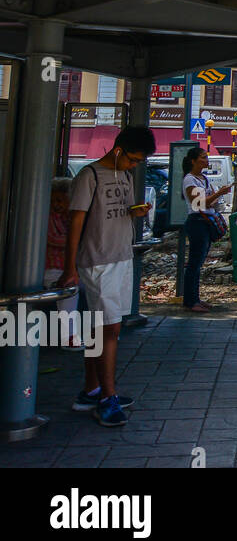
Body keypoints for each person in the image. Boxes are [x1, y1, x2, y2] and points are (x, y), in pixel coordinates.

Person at [59, 126, 156, 426]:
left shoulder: (125, 176)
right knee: (108, 330)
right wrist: (70, 267)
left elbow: (119, 210)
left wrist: (135, 212)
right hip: (98, 260)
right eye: (133, 159)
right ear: (118, 150)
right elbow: (76, 222)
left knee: (105, 330)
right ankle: (107, 398)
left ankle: (92, 389)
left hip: (122, 257)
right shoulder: (89, 176)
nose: (134, 166)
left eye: (139, 162)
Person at [181, 147, 232, 313]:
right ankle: (190, 301)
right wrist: (219, 194)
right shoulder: (190, 180)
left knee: (199, 261)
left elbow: (209, 202)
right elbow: (199, 203)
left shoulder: (204, 178)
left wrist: (217, 197)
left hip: (206, 221)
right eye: (203, 158)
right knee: (194, 263)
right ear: (193, 161)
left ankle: (195, 298)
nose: (206, 160)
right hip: (197, 222)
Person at [44, 177, 81, 350]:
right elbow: (53, 239)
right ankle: (69, 337)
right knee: (69, 291)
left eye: (60, 200)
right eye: (53, 200)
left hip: (70, 266)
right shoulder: (48, 217)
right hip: (53, 268)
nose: (56, 204)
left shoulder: (72, 217)